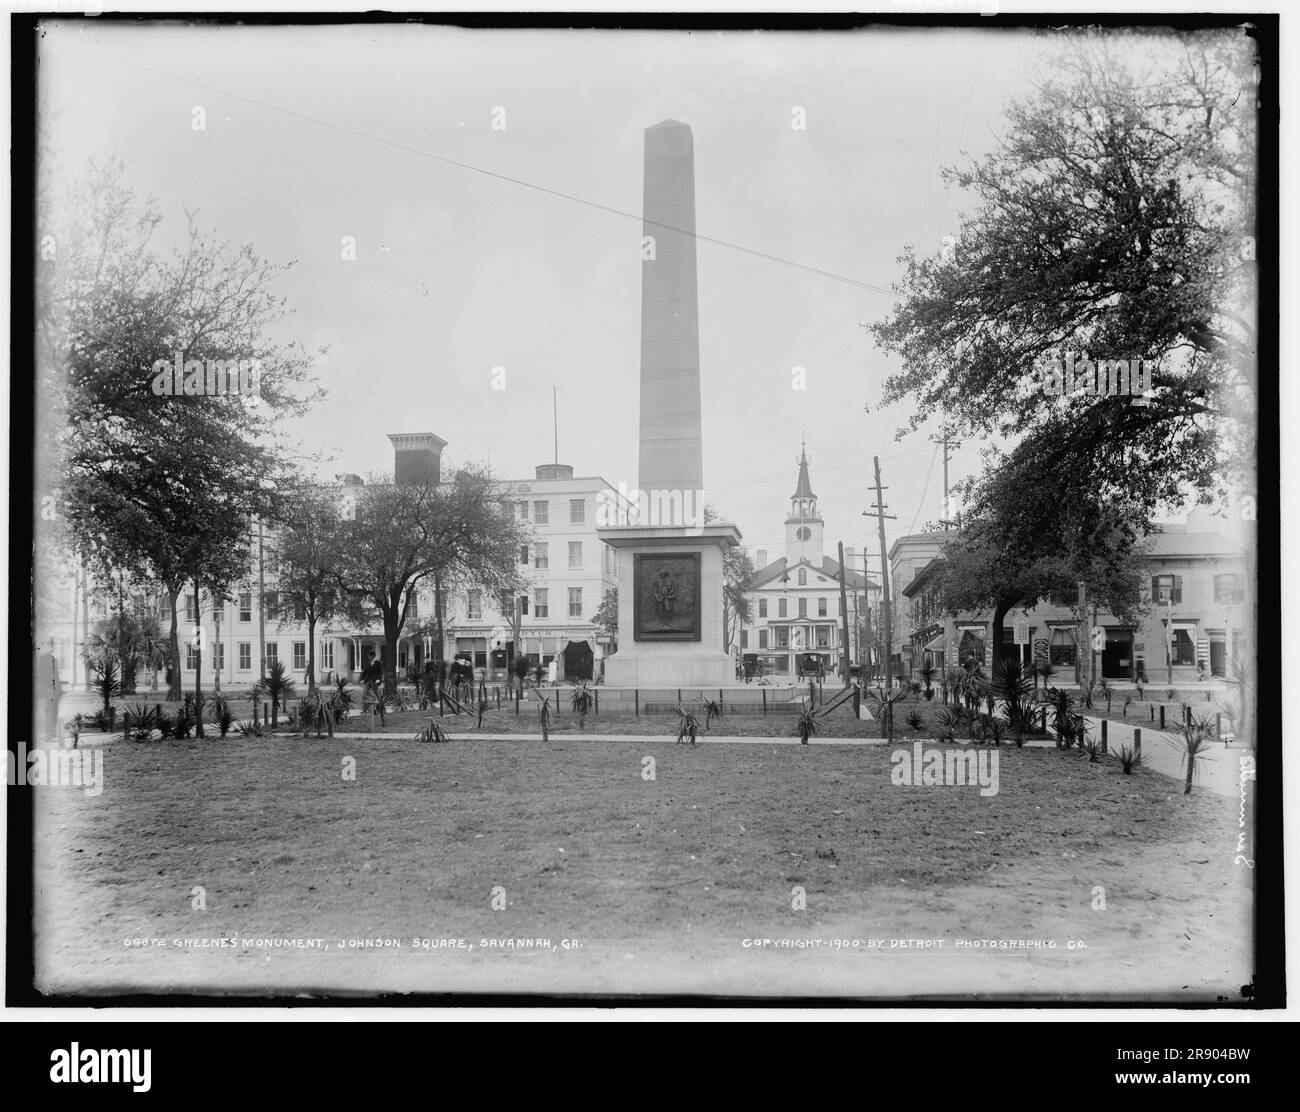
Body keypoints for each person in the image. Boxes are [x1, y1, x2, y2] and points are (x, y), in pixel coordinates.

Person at [36, 639, 62, 745]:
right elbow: (41, 677)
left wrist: (59, 690)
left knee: (54, 712)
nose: (53, 647)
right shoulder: (42, 660)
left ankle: (52, 733)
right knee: (49, 712)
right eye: (51, 645)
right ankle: (48, 734)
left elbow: (56, 676)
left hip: (55, 691)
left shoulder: (54, 659)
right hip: (48, 690)